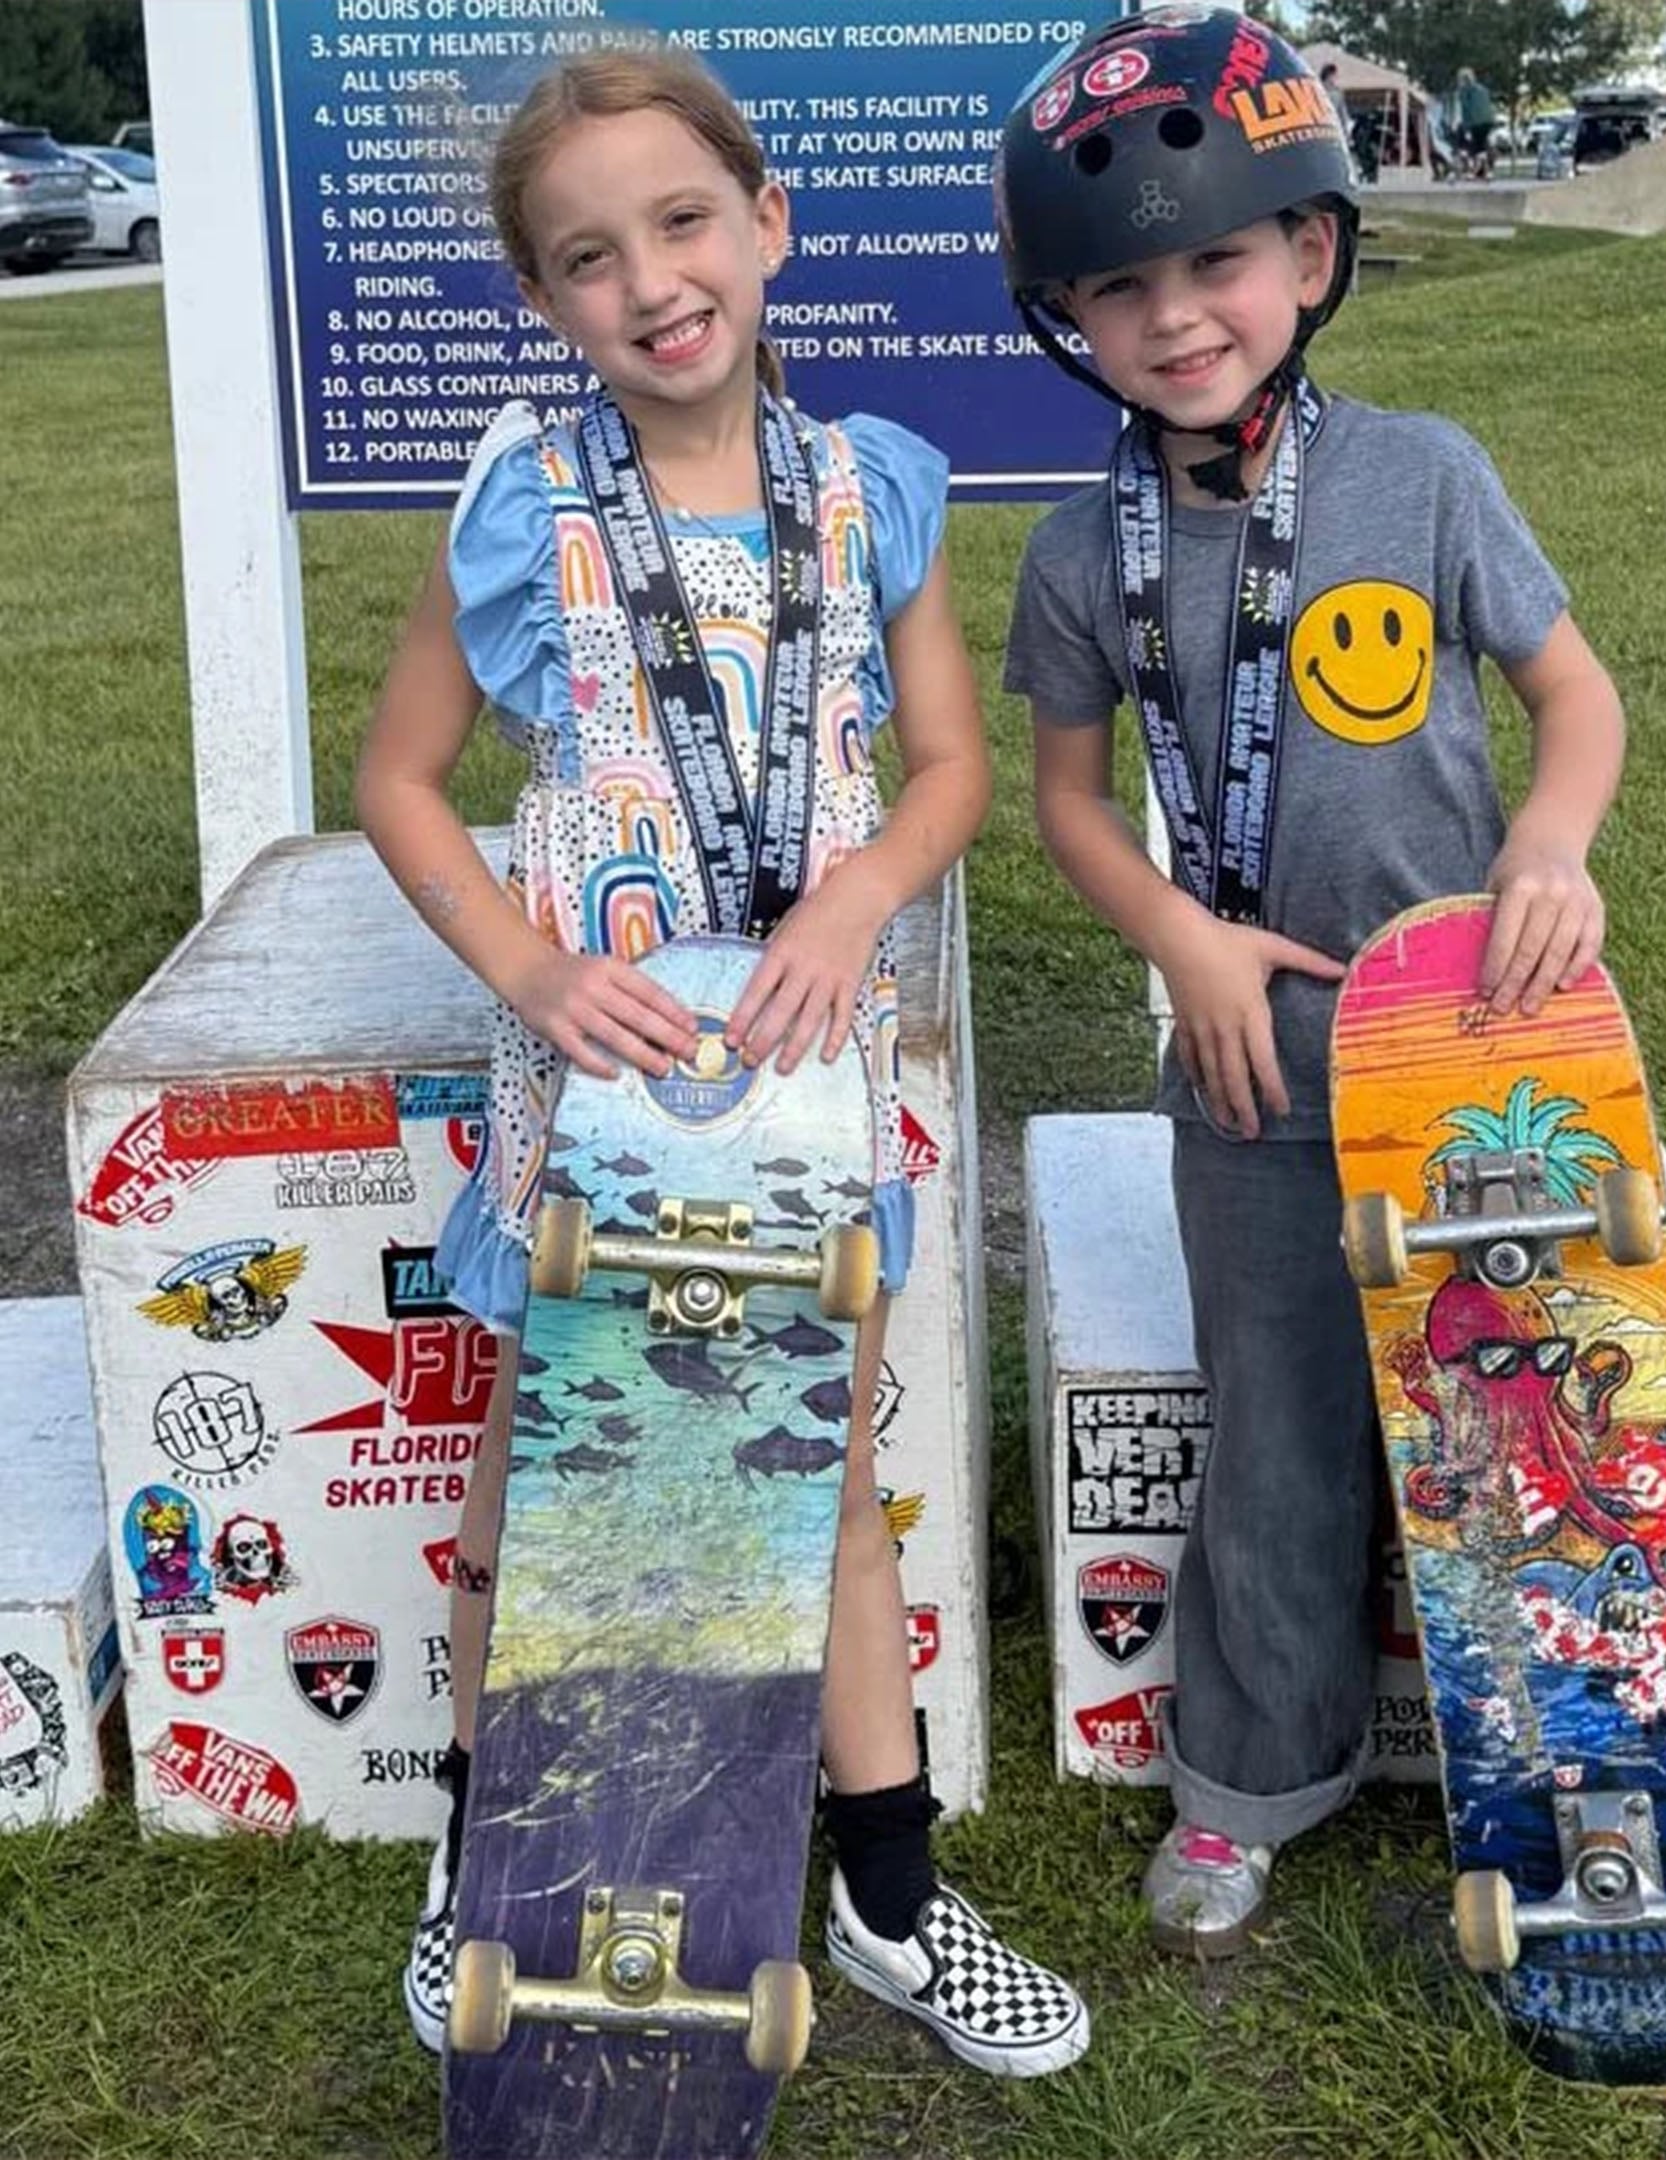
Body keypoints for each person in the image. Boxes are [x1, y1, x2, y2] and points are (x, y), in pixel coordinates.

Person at [351, 39, 1090, 2075]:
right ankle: (479, 1868)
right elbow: (402, 779)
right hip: (593, 1093)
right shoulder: (520, 505)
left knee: (830, 1488)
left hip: (794, 1088)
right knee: (543, 1485)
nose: (650, 280)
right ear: (544, 300)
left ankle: (891, 1903)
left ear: (768, 225)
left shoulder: (873, 490)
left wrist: (848, 904)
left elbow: (947, 772)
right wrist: (522, 966)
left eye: (683, 223)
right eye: (588, 257)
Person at [991, 6, 1628, 1958]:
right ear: (1068, 320)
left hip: (1473, 1053)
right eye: (1124, 287)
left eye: (1218, 260)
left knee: (1519, 1410)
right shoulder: (1075, 551)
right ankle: (1252, 1780)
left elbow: (1574, 697)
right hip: (1254, 1065)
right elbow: (1069, 803)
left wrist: (1550, 848)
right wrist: (1175, 934)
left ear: (1313, 257)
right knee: (1275, 1426)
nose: (1180, 316)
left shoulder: (1425, 479)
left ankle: (1563, 1772)